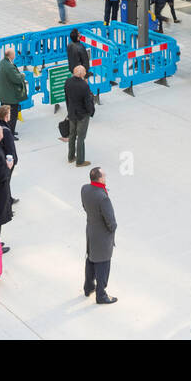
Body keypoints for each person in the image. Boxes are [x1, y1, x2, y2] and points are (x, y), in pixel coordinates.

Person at [81, 166, 117, 304]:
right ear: (100, 178)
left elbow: (84, 207)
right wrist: (112, 229)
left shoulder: (85, 189)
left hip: (90, 230)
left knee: (90, 259)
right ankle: (101, 294)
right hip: (102, 236)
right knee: (103, 264)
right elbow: (111, 222)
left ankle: (88, 286)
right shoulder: (103, 198)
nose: (105, 177)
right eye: (104, 175)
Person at [65, 65, 95, 166]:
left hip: (72, 112)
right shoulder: (84, 85)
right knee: (81, 137)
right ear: (81, 73)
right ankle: (80, 161)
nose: (86, 73)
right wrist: (91, 111)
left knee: (72, 135)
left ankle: (71, 157)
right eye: (85, 71)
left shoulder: (68, 81)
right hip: (82, 115)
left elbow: (67, 97)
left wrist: (69, 109)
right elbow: (87, 102)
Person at [0, 47, 25, 136]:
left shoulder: (3, 62)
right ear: (11, 55)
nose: (15, 55)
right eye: (14, 53)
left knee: (4, 115)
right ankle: (10, 133)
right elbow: (17, 79)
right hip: (10, 96)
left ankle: (7, 131)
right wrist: (22, 75)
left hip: (4, 94)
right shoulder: (9, 66)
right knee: (12, 115)